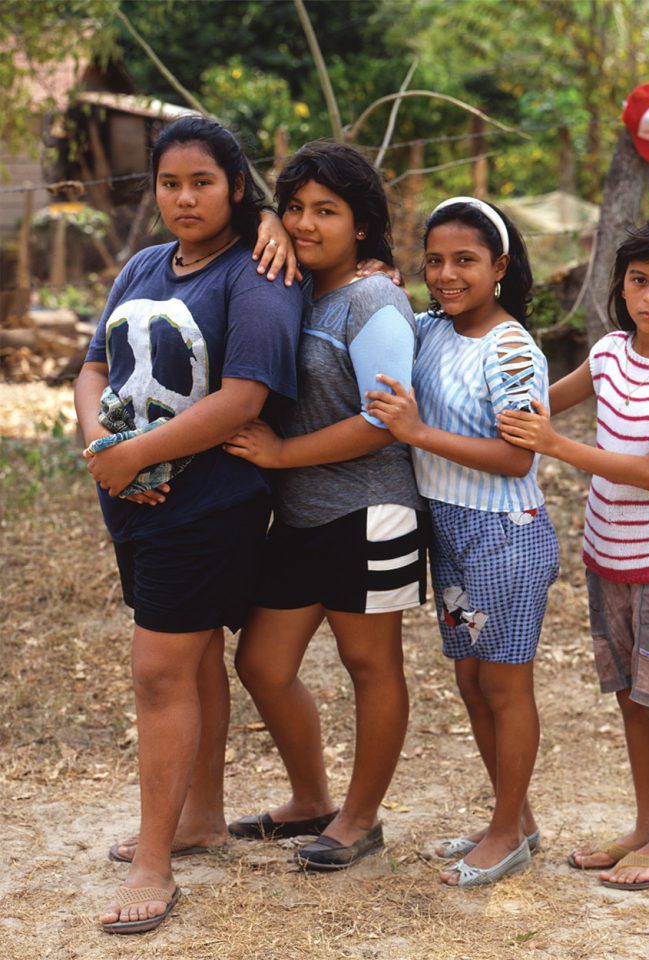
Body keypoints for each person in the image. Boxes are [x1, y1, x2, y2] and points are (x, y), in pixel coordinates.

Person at [74, 116, 302, 933]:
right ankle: (200, 816)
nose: (184, 197)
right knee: (194, 651)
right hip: (133, 501)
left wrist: (135, 457)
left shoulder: (258, 273)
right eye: (170, 183)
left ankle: (154, 864)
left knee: (159, 673)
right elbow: (94, 363)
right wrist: (104, 446)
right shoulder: (143, 264)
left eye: (202, 181)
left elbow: (244, 398)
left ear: (237, 186)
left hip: (209, 506)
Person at [497, 218, 649, 890]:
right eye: (638, 280)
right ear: (619, 285)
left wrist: (555, 445)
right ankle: (646, 826)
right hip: (609, 558)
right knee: (631, 699)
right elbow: (538, 405)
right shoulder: (609, 354)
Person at [223, 141, 429, 871]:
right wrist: (271, 225)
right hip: (303, 515)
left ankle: (362, 818)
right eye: (297, 208)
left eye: (327, 211)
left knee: (369, 665)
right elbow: (232, 212)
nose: (307, 223)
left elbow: (383, 418)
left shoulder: (376, 299)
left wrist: (279, 455)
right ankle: (311, 798)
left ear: (362, 226)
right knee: (262, 663)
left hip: (372, 512)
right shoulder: (298, 286)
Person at [366, 197, 559, 888]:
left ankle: (506, 834)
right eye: (436, 260)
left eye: (466, 261)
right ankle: (517, 819)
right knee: (473, 680)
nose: (446, 274)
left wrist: (416, 433)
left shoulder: (511, 349)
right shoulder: (433, 328)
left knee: (504, 686)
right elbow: (385, 314)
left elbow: (518, 459)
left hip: (504, 538)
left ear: (500, 266)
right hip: (451, 536)